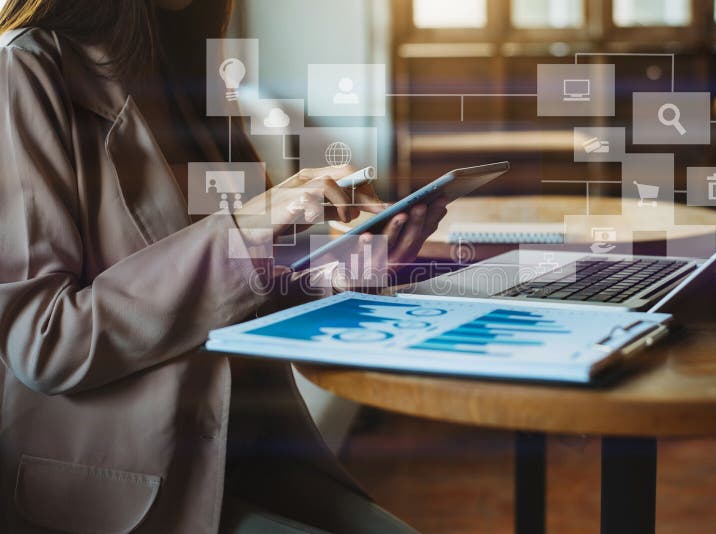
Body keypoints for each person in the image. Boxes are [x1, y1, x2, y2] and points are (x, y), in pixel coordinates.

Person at [0, 0, 447, 532]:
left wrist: (345, 274)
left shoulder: (189, 64)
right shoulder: (24, 70)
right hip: (124, 489)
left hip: (249, 452)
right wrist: (241, 230)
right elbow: (42, 341)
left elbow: (246, 284)